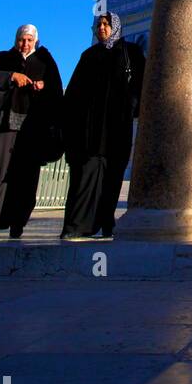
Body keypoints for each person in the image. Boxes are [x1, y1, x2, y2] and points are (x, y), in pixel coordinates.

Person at [0, 24, 63, 239]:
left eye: (29, 40)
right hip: (3, 125)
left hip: (31, 129)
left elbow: (56, 93)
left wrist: (43, 87)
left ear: (36, 41)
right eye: (22, 39)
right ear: (16, 40)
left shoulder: (45, 62)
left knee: (24, 180)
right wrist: (11, 76)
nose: (25, 44)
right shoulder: (3, 58)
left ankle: (16, 224)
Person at [61, 12, 144, 240]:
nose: (102, 28)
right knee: (85, 174)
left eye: (107, 24)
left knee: (112, 176)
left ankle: (106, 221)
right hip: (90, 128)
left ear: (116, 26)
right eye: (99, 25)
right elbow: (74, 93)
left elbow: (142, 85)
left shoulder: (131, 53)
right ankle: (76, 225)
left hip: (117, 127)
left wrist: (131, 105)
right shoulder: (89, 56)